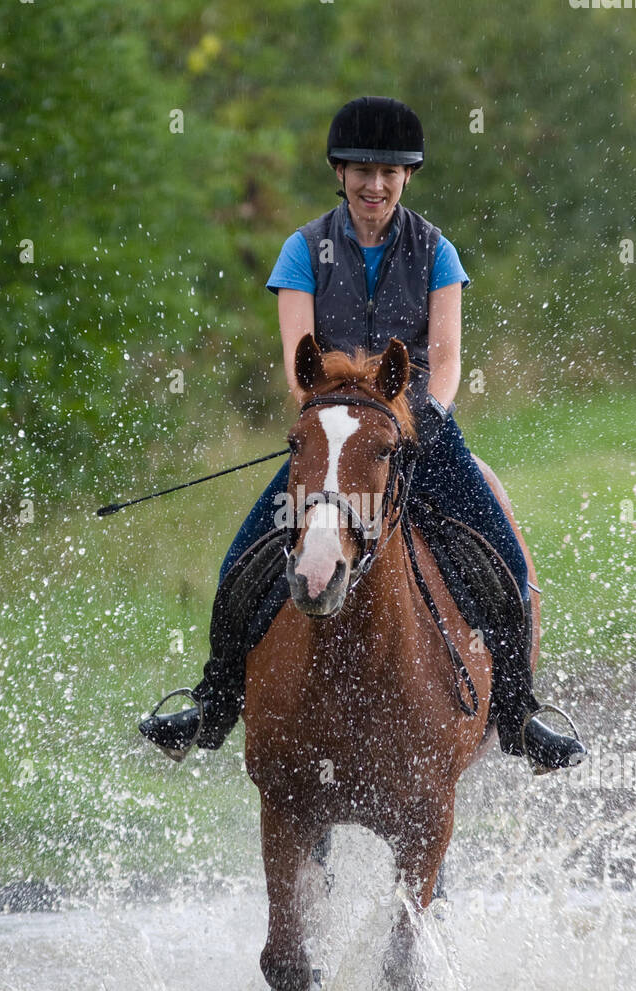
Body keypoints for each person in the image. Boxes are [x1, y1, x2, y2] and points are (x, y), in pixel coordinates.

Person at [140, 97, 586, 772]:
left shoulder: (437, 251)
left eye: (388, 172)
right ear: (339, 173)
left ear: (407, 178)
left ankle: (520, 713)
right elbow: (301, 357)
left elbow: (449, 354)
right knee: (243, 563)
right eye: (360, 171)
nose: (373, 184)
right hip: (332, 439)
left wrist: (420, 421)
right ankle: (214, 701)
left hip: (420, 433)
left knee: (506, 561)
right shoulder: (303, 250)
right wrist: (329, 425)